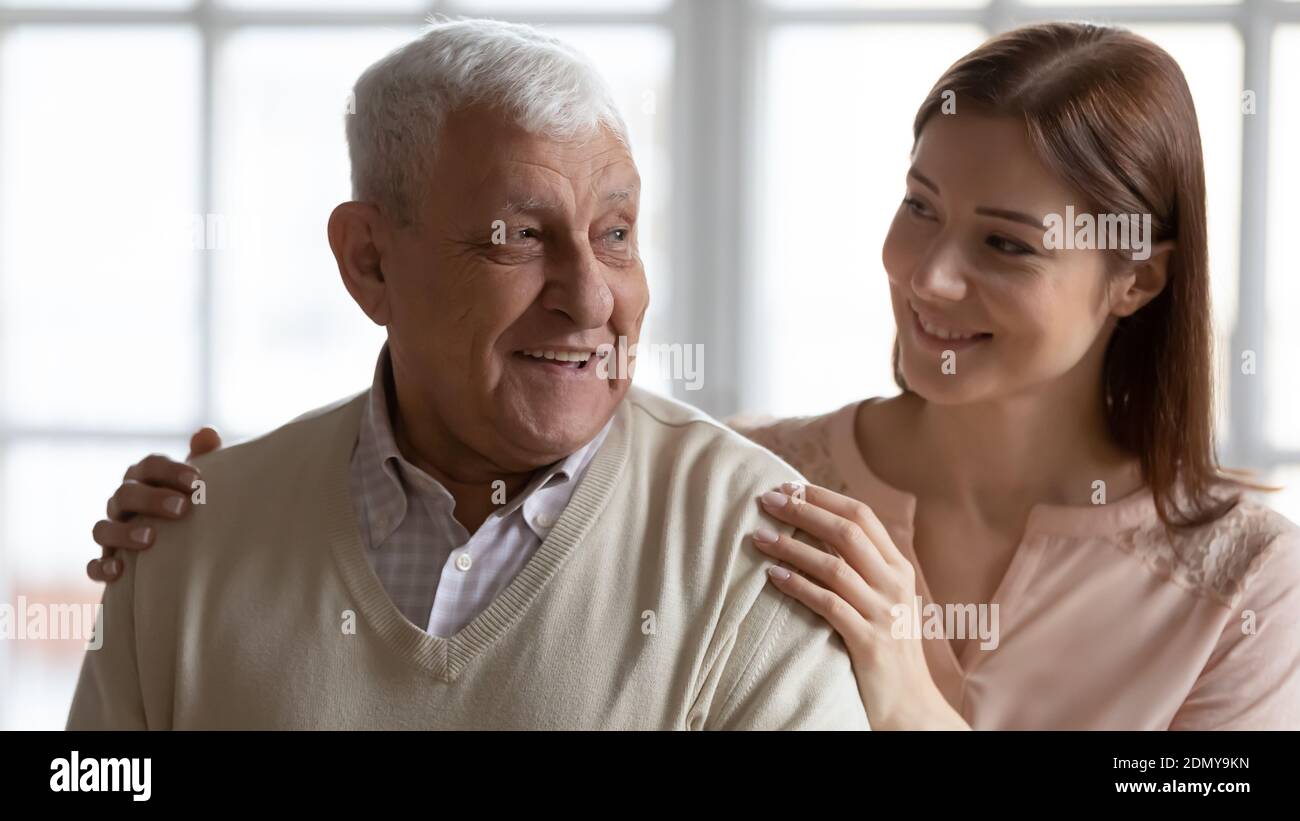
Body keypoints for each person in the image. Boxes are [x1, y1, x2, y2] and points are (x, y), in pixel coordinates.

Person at [67, 19, 869, 731]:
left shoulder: (756, 547)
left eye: (616, 232)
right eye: (519, 235)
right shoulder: (187, 536)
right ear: (369, 261)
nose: (591, 297)